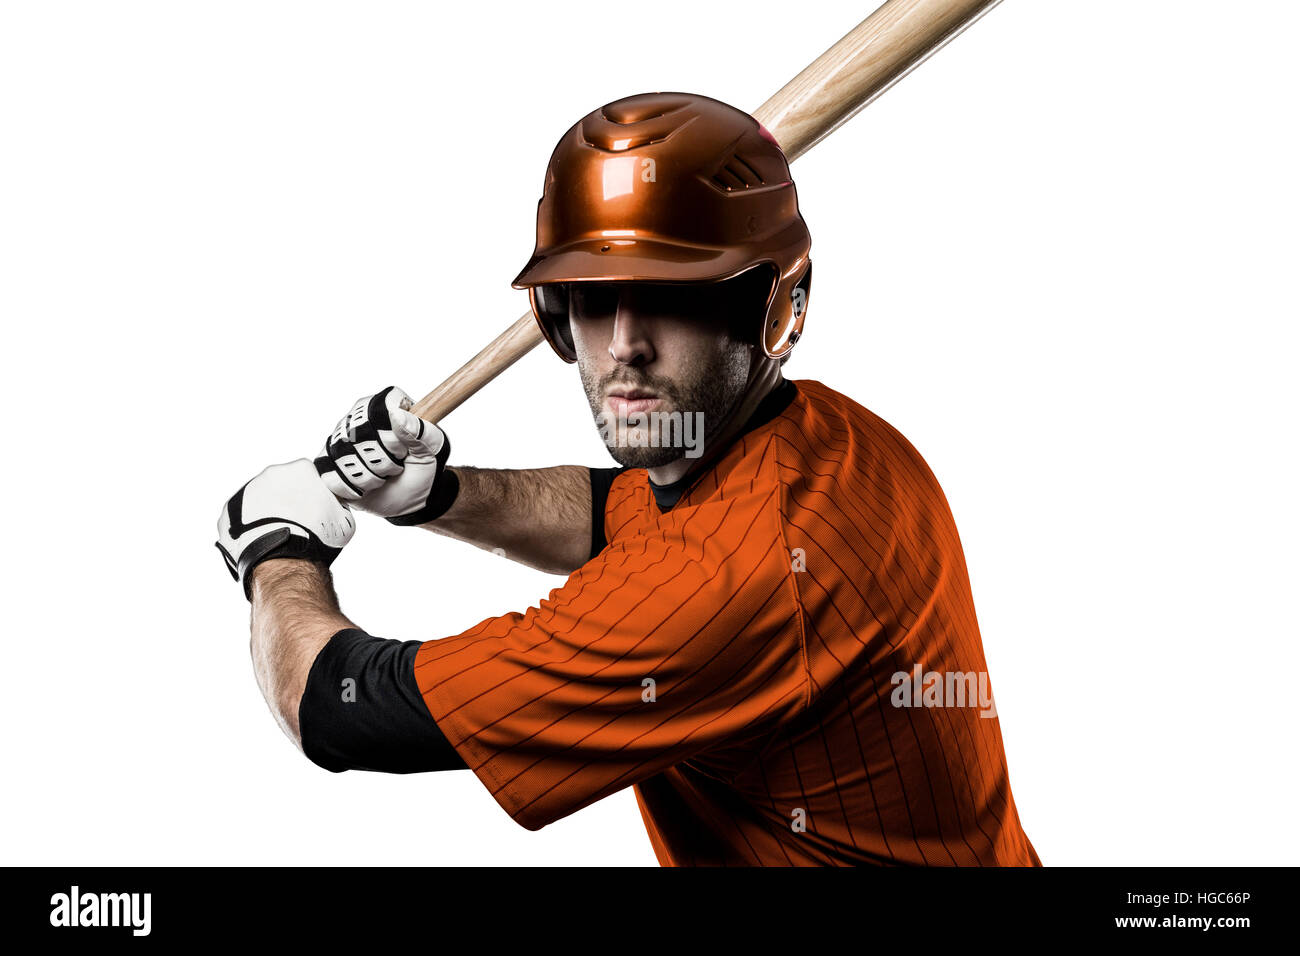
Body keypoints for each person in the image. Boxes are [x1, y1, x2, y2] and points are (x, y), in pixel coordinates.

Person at [216, 92, 1040, 866]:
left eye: (671, 295)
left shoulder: (725, 584)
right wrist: (440, 495)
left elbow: (337, 709)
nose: (623, 345)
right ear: (555, 315)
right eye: (595, 297)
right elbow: (618, 510)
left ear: (768, 307)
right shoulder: (827, 436)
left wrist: (277, 551)